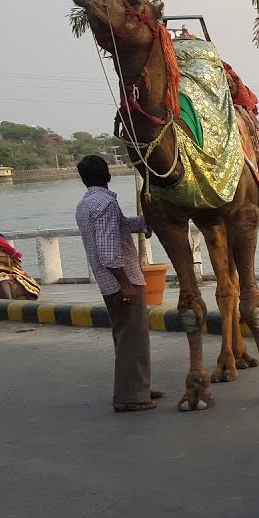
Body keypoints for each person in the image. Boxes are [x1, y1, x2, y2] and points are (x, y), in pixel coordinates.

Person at [74, 155, 162, 413]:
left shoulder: (86, 204)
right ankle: (130, 397)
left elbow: (122, 227)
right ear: (108, 175)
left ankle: (137, 387)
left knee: (125, 336)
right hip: (123, 279)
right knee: (133, 338)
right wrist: (126, 284)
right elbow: (108, 251)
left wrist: (149, 219)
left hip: (108, 281)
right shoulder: (106, 205)